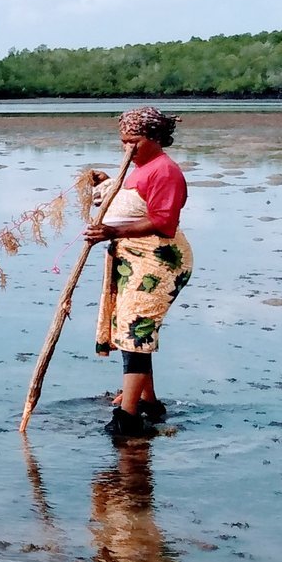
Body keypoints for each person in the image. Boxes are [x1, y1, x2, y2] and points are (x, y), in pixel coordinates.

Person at [83, 106, 192, 440]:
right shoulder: (139, 168)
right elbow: (132, 199)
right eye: (123, 142)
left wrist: (114, 233)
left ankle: (127, 417)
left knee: (136, 329)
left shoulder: (165, 171)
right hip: (132, 261)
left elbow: (163, 222)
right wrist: (107, 183)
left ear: (154, 138)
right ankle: (148, 401)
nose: (127, 149)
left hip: (159, 263)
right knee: (129, 327)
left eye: (134, 142)